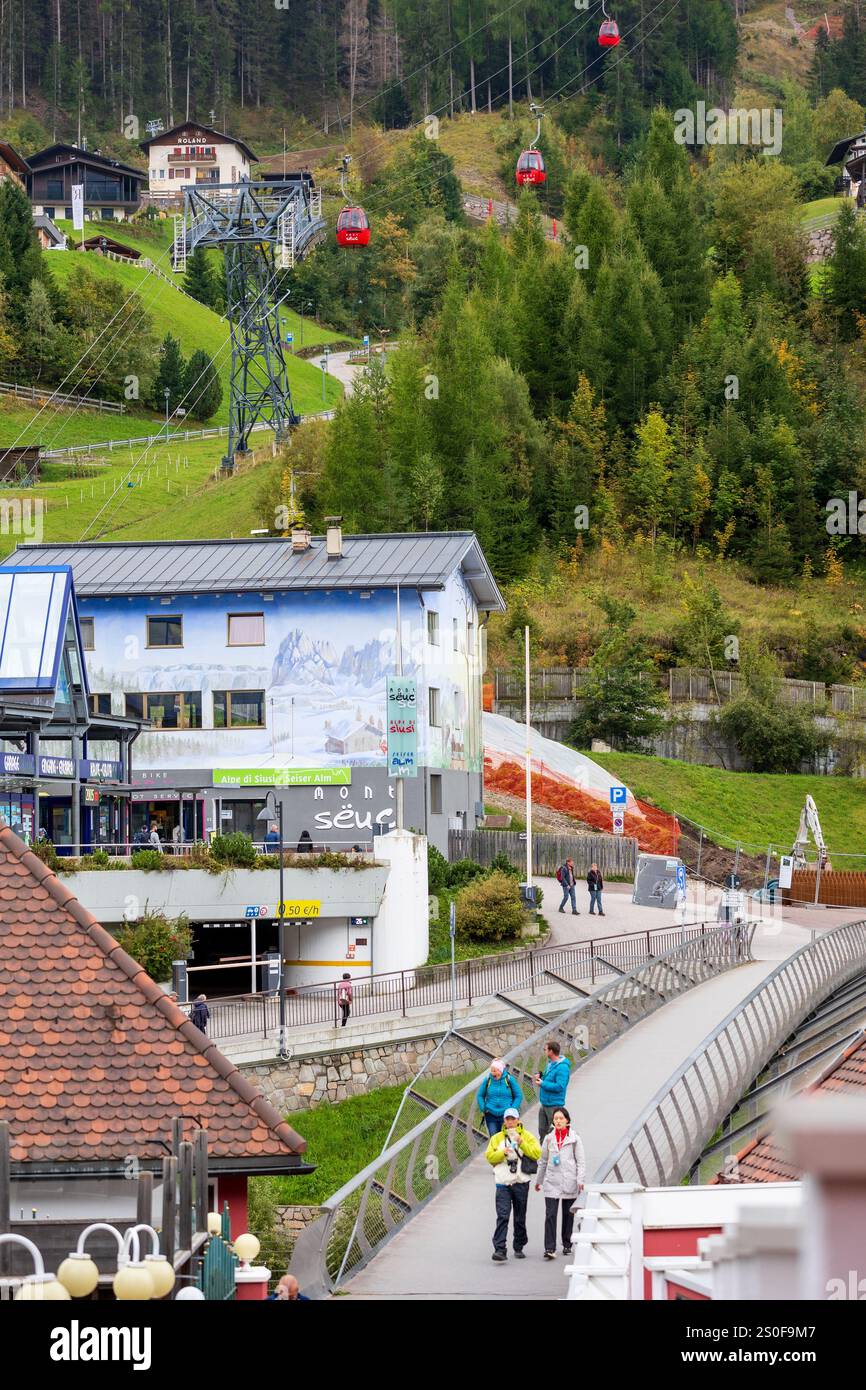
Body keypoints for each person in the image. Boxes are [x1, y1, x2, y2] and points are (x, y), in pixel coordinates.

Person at [485, 1108, 541, 1263]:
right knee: (502, 1215)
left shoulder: (527, 1136)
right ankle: (499, 1249)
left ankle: (519, 1244)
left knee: (519, 1215)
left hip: (521, 1180)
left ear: (518, 1120)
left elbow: (536, 1153)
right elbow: (489, 1156)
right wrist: (502, 1152)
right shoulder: (497, 1138)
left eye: (512, 1119)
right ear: (504, 1121)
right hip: (503, 1181)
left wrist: (522, 1144)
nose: (510, 1122)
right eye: (507, 1119)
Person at [535, 1106, 586, 1259]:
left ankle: (567, 1244)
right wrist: (539, 1180)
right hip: (552, 1181)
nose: (558, 1121)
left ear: (567, 1120)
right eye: (556, 1119)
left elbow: (581, 1162)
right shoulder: (549, 1138)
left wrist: (580, 1180)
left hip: (569, 1181)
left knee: (567, 1214)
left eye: (561, 1118)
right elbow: (543, 1160)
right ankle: (549, 1248)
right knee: (550, 1214)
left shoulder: (575, 1138)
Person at [534, 1039, 572, 1142]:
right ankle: (543, 1153)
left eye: (545, 1049)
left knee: (558, 1129)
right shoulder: (551, 1064)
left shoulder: (563, 1068)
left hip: (554, 1104)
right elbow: (550, 1078)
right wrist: (541, 1076)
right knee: (542, 1130)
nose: (544, 1051)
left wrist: (543, 1083)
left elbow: (560, 1086)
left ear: (551, 1051)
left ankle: (563, 1148)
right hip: (545, 1103)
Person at [476, 1059, 523, 1137]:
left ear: (501, 1071)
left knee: (506, 1138)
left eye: (495, 1071)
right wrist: (483, 1108)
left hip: (506, 1116)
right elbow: (480, 1095)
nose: (493, 1073)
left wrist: (512, 1109)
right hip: (491, 1115)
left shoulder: (509, 1079)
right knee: (494, 1139)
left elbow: (518, 1095)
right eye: (492, 1070)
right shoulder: (488, 1079)